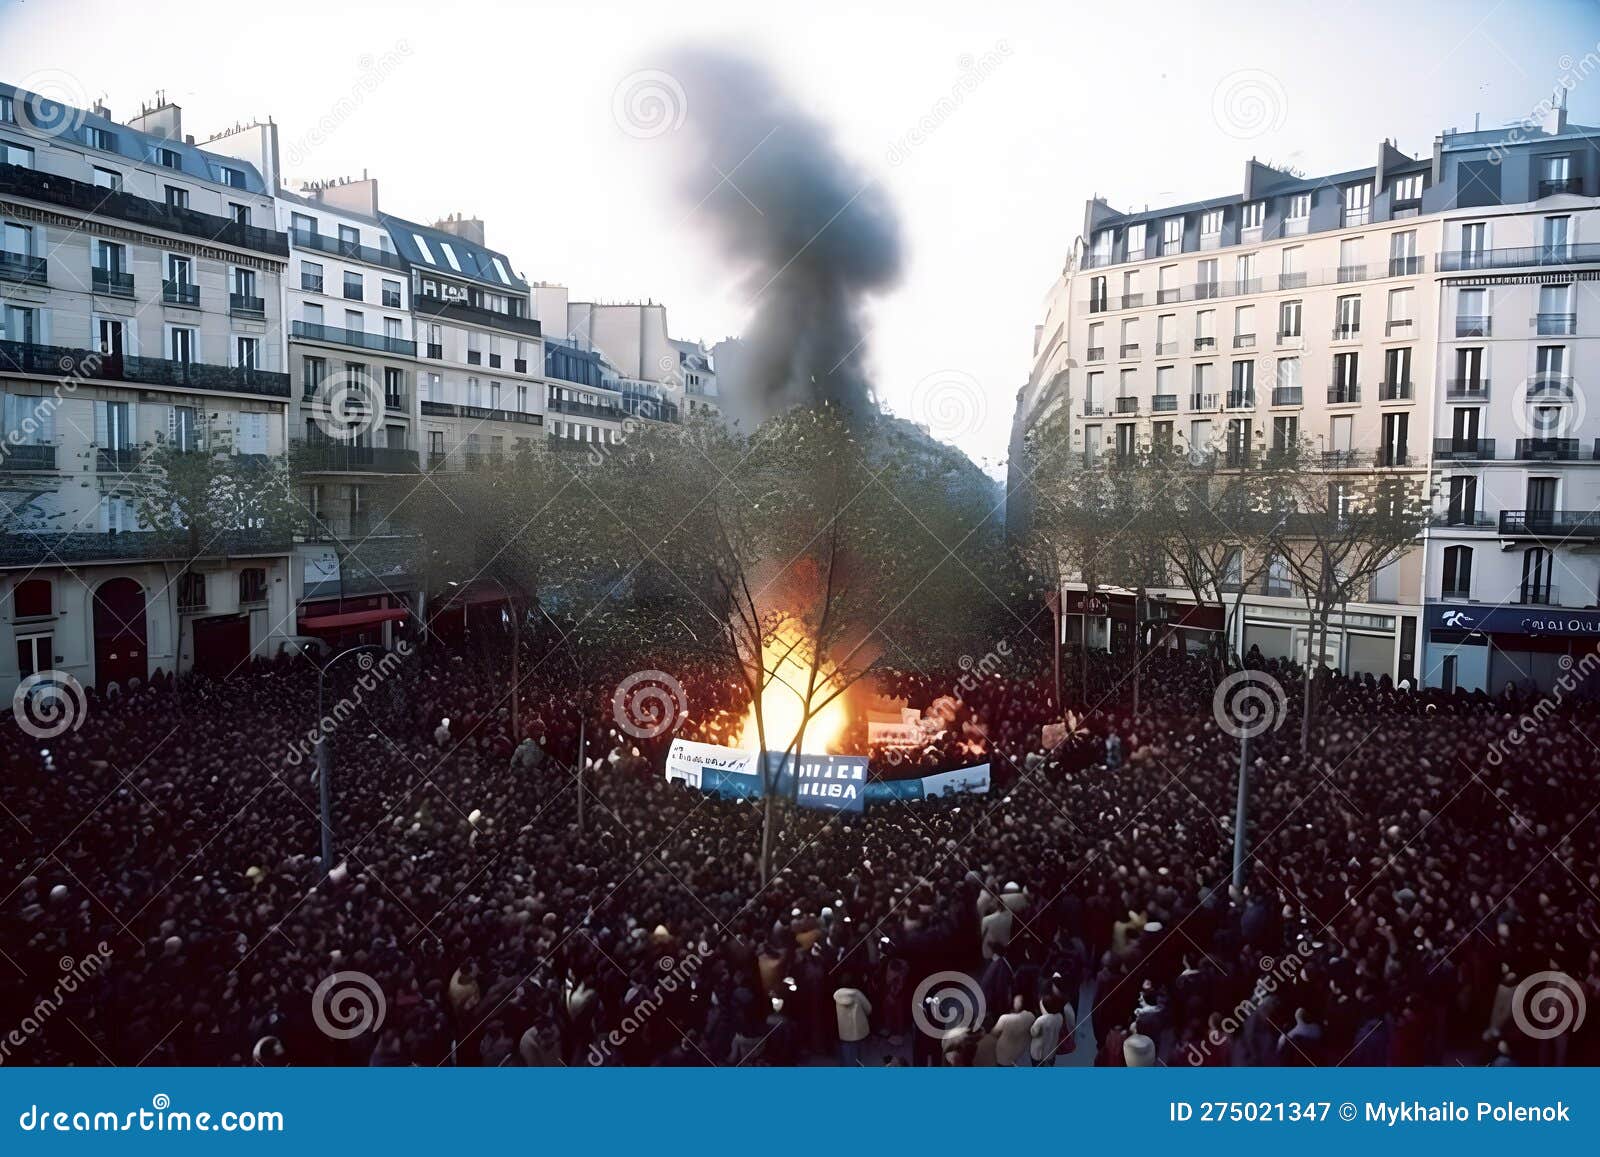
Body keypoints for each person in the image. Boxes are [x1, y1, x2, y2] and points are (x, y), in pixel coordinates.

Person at [833, 981, 872, 1065]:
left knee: (846, 1052)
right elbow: (868, 1008)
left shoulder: (837, 995)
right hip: (858, 1031)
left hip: (843, 1031)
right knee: (858, 1053)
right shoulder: (857, 994)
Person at [992, 993, 1036, 1066]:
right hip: (1021, 1060)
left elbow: (993, 1034)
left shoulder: (1004, 1018)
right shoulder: (1031, 1016)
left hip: (1004, 1060)